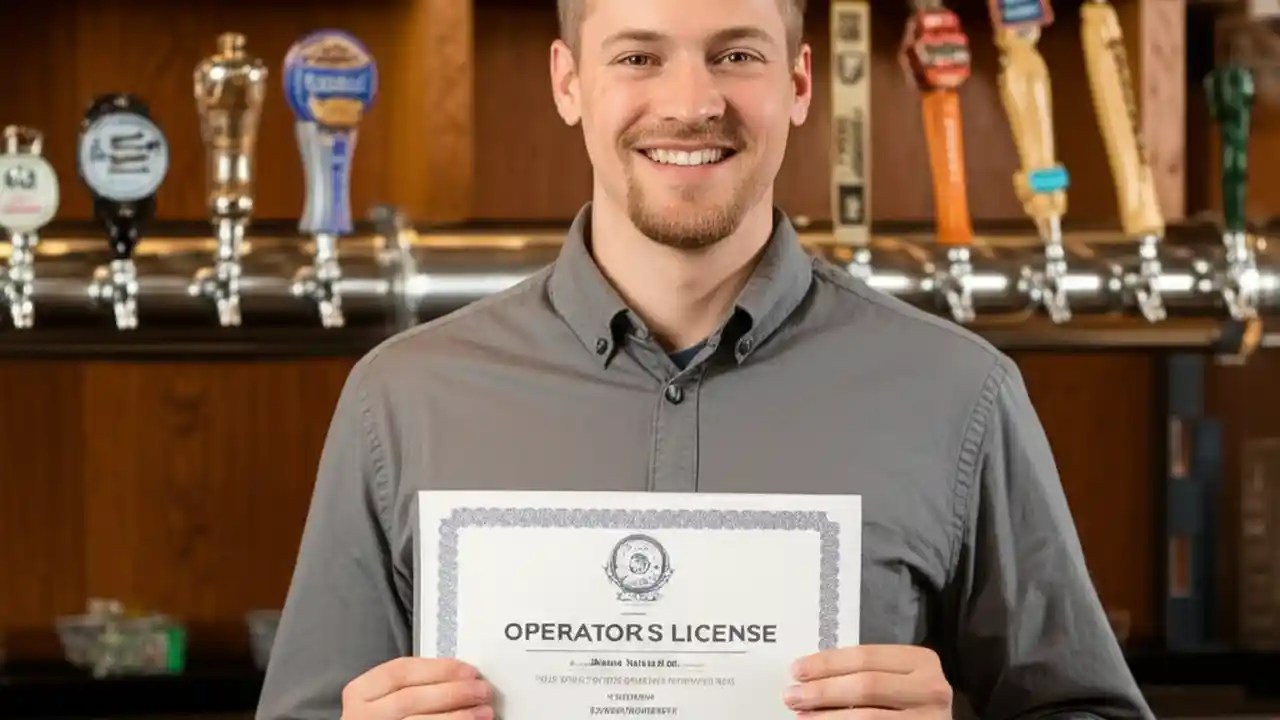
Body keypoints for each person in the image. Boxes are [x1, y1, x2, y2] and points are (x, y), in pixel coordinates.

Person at [256, 0, 1155, 718]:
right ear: (569, 82)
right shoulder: (403, 399)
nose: (691, 103)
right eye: (639, 56)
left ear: (800, 81)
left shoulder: (960, 395)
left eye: (736, 54)